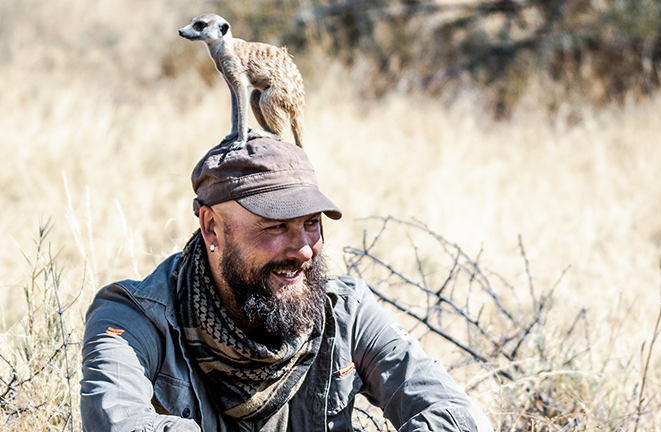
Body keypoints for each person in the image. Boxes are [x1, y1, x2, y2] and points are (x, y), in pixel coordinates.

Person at [80, 138, 493, 431]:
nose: (303, 249)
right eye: (275, 226)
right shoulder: (133, 317)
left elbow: (451, 410)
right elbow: (119, 420)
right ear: (212, 228)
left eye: (311, 224)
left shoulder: (345, 310)